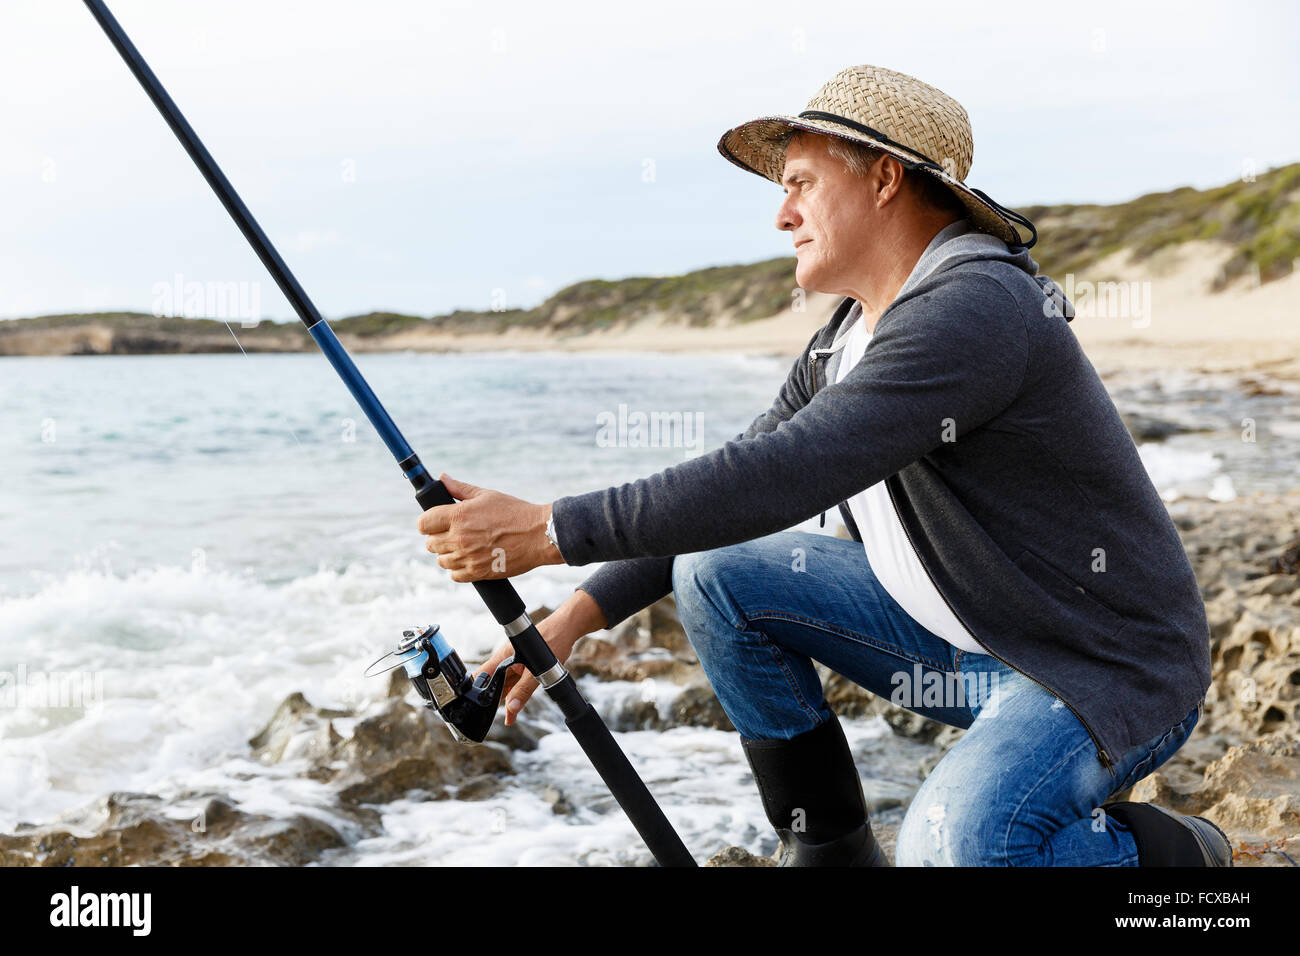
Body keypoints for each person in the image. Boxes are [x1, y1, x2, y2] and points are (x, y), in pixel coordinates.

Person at [417, 64, 1229, 867]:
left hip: (1095, 670)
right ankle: (829, 850)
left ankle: (1177, 857)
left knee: (957, 853)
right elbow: (739, 477)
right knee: (718, 573)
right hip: (963, 639)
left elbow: (789, 471)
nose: (781, 215)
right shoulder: (846, 336)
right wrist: (562, 626)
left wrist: (549, 529)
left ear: (883, 177)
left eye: (801, 182)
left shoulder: (978, 304)